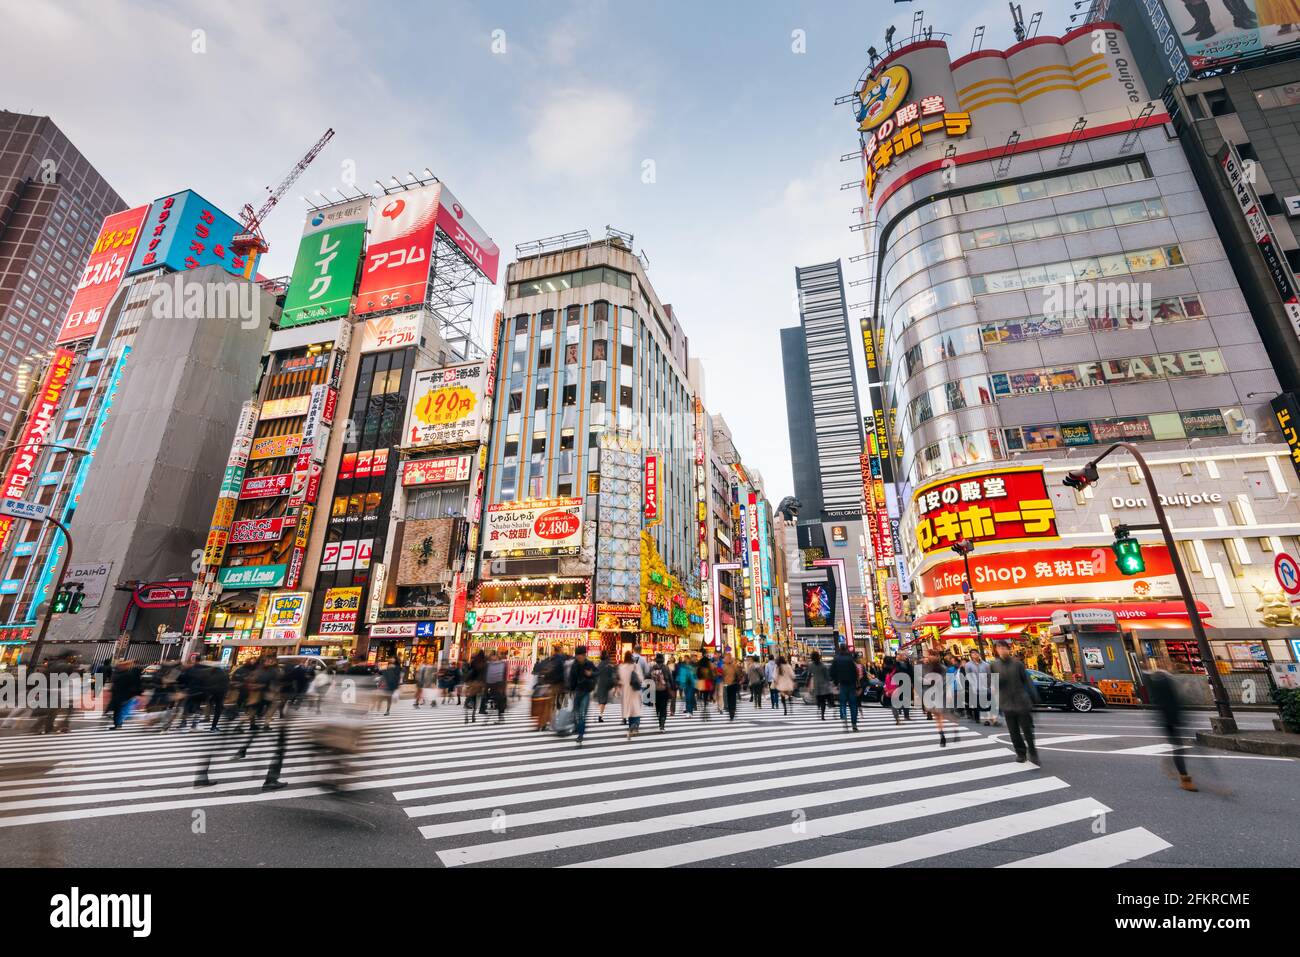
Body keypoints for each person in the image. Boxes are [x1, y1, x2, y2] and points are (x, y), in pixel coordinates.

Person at [1144, 666, 1197, 791]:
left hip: (1173, 719)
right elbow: (1173, 702)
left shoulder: (1161, 683)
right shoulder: (1162, 683)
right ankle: (1185, 779)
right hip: (1169, 720)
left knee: (1178, 747)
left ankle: (1170, 764)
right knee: (1179, 748)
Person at [990, 640, 1038, 763]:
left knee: (1027, 730)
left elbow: (1027, 681)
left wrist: (1033, 697)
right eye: (999, 648)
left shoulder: (1018, 664)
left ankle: (1032, 751)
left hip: (1021, 702)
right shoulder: (994, 665)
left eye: (1004, 647)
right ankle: (1020, 753)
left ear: (1009, 649)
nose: (1001, 650)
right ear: (996, 650)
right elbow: (993, 685)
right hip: (1006, 703)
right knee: (1013, 732)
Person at [567, 645, 598, 747]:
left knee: (582, 714)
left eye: (581, 655)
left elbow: (597, 673)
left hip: (586, 692)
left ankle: (580, 734)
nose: (579, 657)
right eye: (577, 655)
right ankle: (578, 727)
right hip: (577, 692)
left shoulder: (589, 663)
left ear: (584, 655)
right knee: (576, 713)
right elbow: (571, 678)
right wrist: (571, 690)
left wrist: (591, 674)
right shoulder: (574, 665)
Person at [829, 644, 859, 732]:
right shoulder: (851, 659)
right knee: (853, 704)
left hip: (842, 684)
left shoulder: (837, 659)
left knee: (843, 703)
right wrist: (857, 684)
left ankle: (844, 717)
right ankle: (854, 724)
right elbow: (855, 672)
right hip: (852, 684)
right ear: (846, 649)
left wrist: (835, 682)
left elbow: (832, 672)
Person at [107, 660, 143, 730]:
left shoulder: (127, 674)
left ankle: (118, 724)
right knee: (118, 710)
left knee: (118, 710)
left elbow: (132, 685)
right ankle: (118, 724)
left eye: (121, 665)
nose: (119, 666)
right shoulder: (122, 673)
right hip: (119, 694)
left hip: (122, 695)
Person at [617, 651, 643, 740]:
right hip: (635, 690)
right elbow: (640, 678)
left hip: (626, 691)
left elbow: (619, 680)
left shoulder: (621, 667)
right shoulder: (635, 666)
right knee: (635, 709)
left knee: (629, 710)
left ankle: (631, 726)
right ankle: (634, 726)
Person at [807, 651, 834, 720]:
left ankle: (820, 708)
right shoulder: (823, 666)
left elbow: (809, 675)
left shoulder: (811, 665)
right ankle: (822, 714)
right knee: (823, 701)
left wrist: (807, 682)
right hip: (824, 686)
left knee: (820, 700)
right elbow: (827, 677)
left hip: (817, 686)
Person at [884, 655, 911, 724]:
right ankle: (902, 716)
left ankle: (897, 719)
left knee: (893, 705)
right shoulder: (895, 669)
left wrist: (886, 690)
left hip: (889, 689)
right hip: (896, 688)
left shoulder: (885, 669)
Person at [649, 653, 673, 732]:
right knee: (663, 707)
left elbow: (648, 678)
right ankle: (662, 725)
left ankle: (659, 720)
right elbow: (669, 678)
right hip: (664, 690)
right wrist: (672, 687)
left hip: (654, 690)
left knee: (657, 706)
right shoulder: (665, 668)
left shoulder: (652, 668)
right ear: (663, 659)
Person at [484, 651, 508, 723]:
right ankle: (498, 717)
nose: (493, 657)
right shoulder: (489, 664)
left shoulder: (502, 664)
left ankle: (500, 717)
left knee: (499, 701)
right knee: (494, 701)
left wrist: (504, 687)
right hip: (492, 686)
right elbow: (487, 675)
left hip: (499, 686)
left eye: (494, 656)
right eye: (492, 656)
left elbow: (504, 676)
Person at [594, 650, 617, 723]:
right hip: (607, 683)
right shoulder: (609, 664)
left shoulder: (599, 664)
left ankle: (600, 714)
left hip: (600, 683)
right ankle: (600, 715)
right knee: (603, 701)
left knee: (602, 700)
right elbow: (613, 673)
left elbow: (596, 673)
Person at [721, 653, 744, 721]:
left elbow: (738, 674)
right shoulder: (723, 666)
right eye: (725, 658)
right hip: (726, 685)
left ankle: (732, 712)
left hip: (733, 684)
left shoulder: (734, 666)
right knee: (728, 699)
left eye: (727, 658)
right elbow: (720, 675)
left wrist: (739, 680)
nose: (726, 659)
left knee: (732, 699)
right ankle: (731, 711)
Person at [695, 653, 715, 719]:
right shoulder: (709, 666)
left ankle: (704, 700)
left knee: (702, 692)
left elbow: (697, 674)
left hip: (701, 681)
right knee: (706, 692)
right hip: (707, 680)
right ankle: (706, 701)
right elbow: (712, 674)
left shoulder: (700, 666)